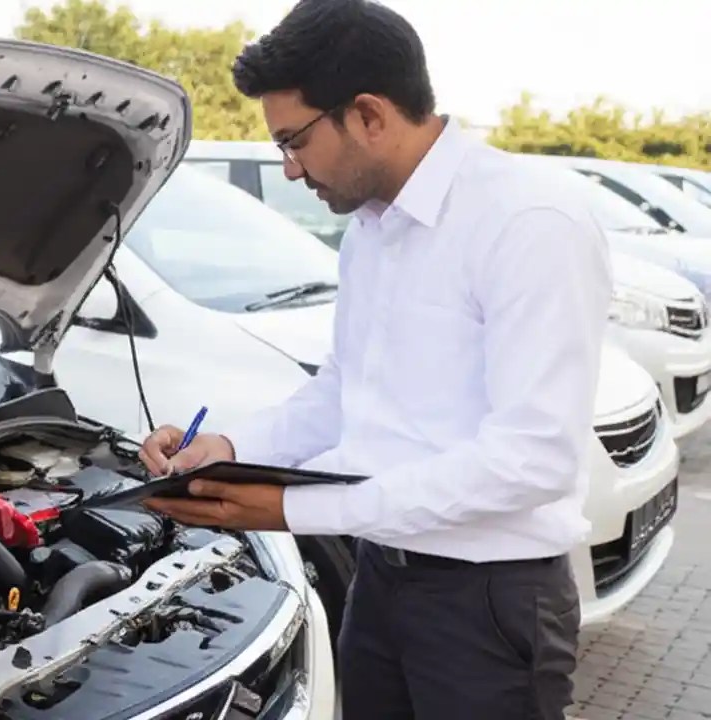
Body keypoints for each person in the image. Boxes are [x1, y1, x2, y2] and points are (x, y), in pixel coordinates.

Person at [137, 1, 612, 718]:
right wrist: (230, 447)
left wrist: (305, 508)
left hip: (488, 602)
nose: (290, 170)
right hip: (381, 584)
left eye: (294, 141)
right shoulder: (370, 229)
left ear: (368, 114)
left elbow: (535, 457)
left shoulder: (529, 223)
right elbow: (344, 391)